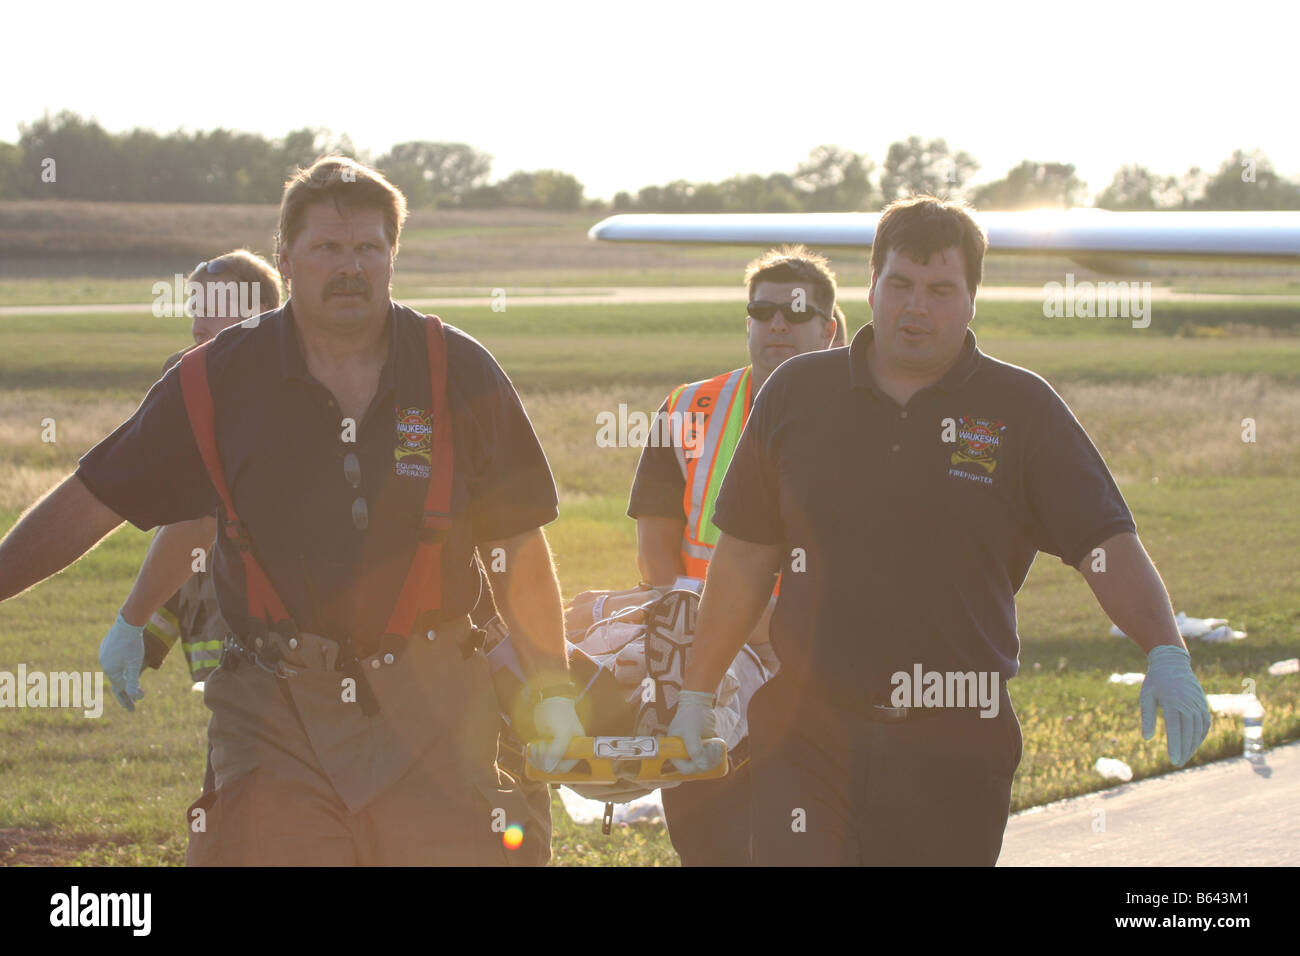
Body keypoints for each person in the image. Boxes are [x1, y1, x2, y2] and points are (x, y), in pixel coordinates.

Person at [0, 157, 583, 866]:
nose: (351, 267)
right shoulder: (215, 379)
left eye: (369, 247)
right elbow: (93, 499)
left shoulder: (459, 370)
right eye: (327, 249)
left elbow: (519, 547)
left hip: (435, 707)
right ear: (286, 259)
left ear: (393, 257)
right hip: (272, 709)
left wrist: (552, 689)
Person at [668, 195, 1212, 866]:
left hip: (957, 741)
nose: (915, 307)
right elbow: (745, 557)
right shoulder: (798, 394)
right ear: (871, 285)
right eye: (899, 284)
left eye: (940, 289)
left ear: (973, 299)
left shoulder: (1021, 409)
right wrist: (697, 693)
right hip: (809, 729)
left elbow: (1105, 545)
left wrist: (1166, 652)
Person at [623, 246, 842, 866]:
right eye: (762, 309)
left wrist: (781, 636)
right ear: (747, 321)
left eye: (796, 312)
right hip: (701, 668)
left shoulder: (867, 418)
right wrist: (714, 633)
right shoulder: (689, 407)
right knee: (711, 841)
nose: (778, 323)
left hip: (816, 668)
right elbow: (656, 546)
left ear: (829, 329)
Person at [115, 251, 283, 698]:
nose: (198, 324)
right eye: (195, 310)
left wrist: (135, 623)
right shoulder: (188, 381)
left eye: (214, 309)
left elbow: (198, 522)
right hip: (224, 635)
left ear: (262, 312)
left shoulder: (294, 387)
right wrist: (147, 632)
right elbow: (189, 528)